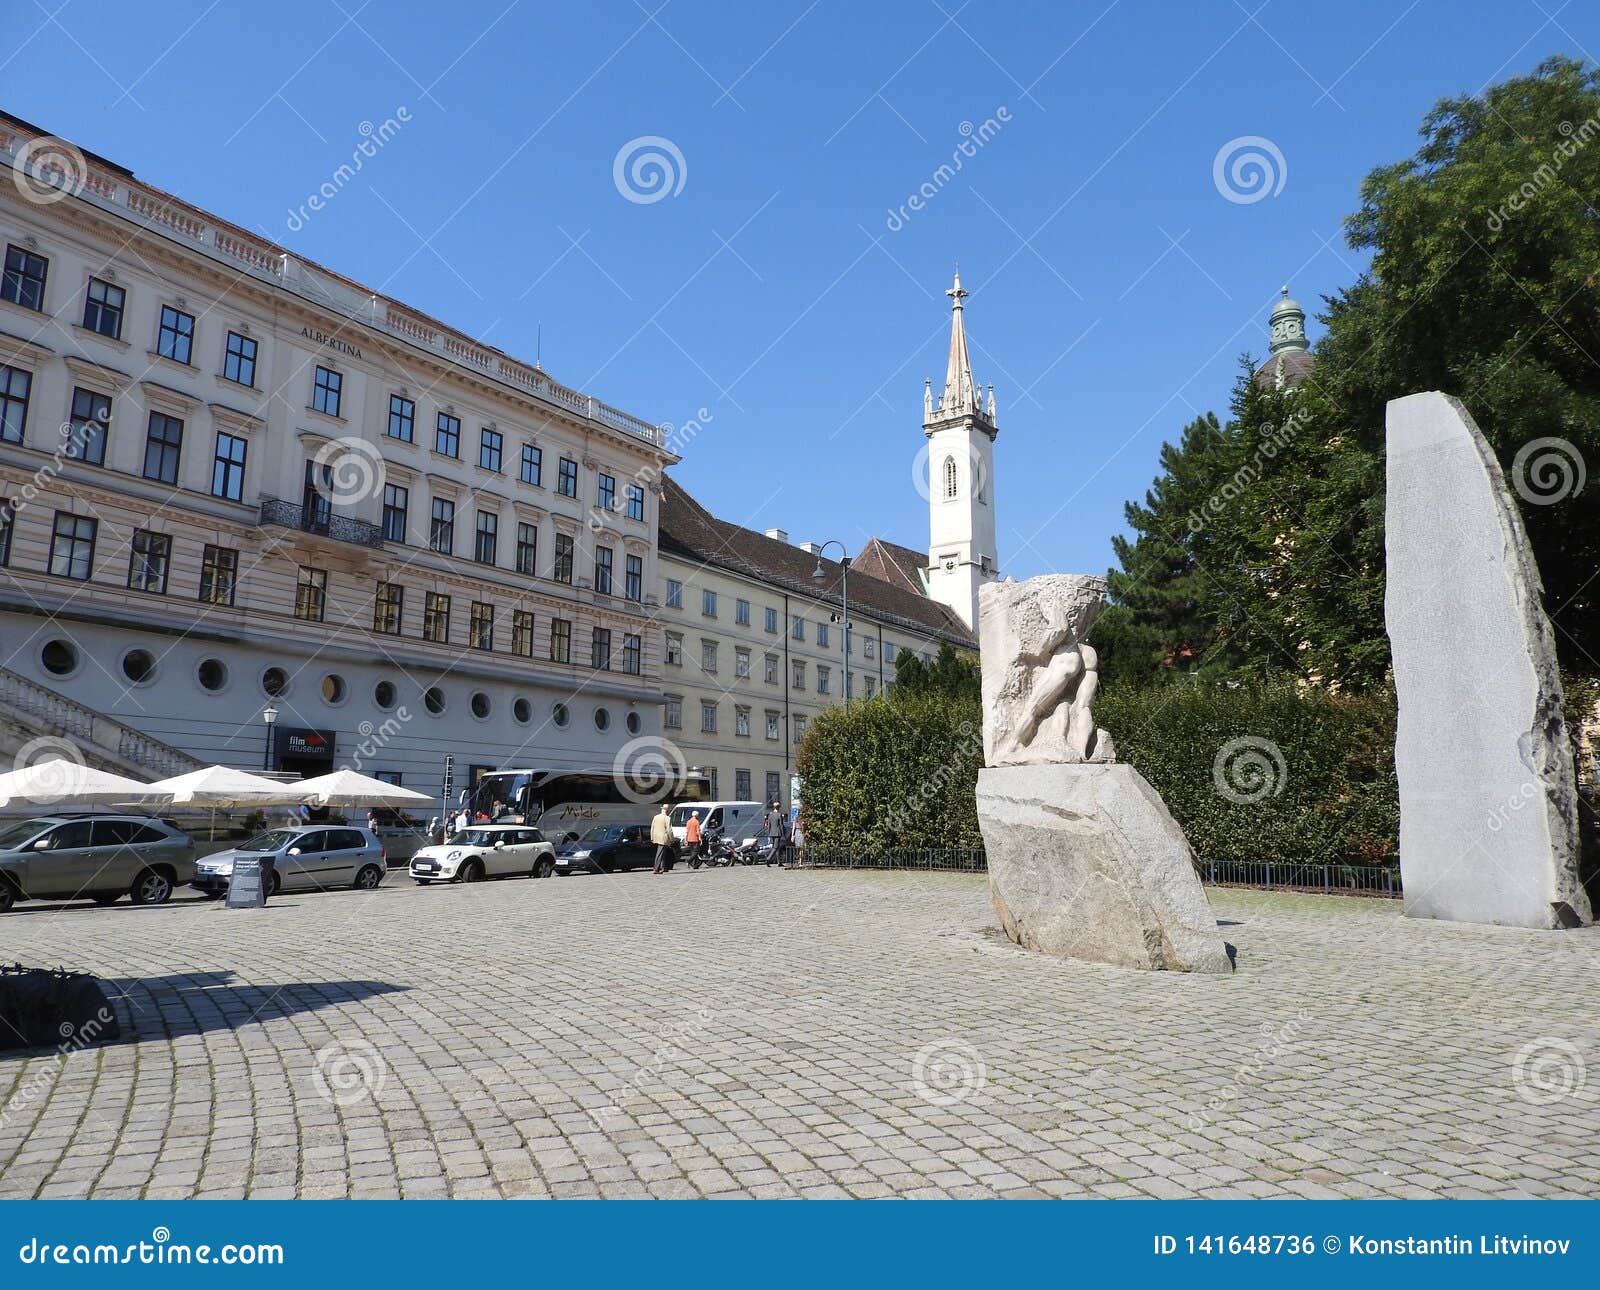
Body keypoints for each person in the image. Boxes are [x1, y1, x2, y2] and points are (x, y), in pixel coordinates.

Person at [650, 803, 674, 875]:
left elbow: (652, 828)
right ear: (667, 811)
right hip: (663, 838)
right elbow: (669, 830)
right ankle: (656, 868)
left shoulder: (656, 817)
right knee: (660, 853)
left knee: (662, 853)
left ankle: (662, 867)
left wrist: (652, 837)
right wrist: (672, 838)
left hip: (656, 836)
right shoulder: (667, 818)